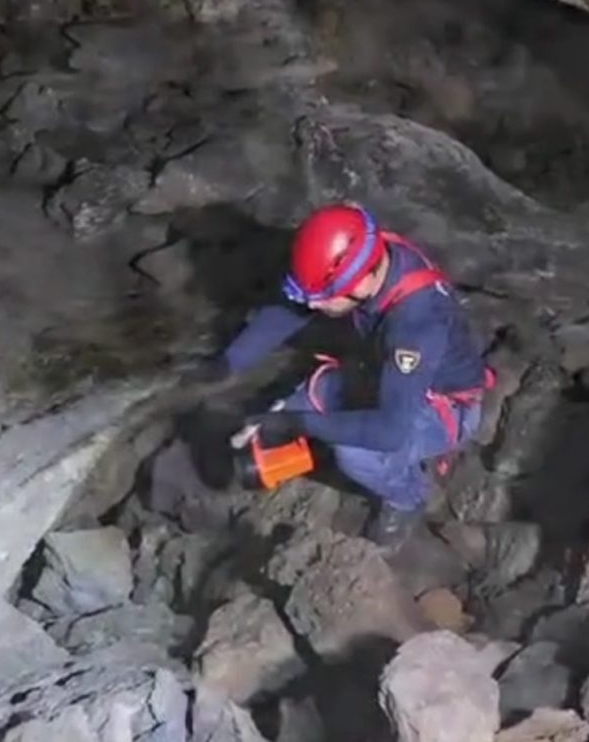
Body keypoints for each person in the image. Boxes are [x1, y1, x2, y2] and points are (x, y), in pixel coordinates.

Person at [196, 202, 495, 548]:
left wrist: (297, 424)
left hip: (443, 405)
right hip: (384, 369)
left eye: (324, 298)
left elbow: (390, 431)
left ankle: (408, 497)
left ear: (362, 283)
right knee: (295, 404)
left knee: (355, 452)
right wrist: (229, 362)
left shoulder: (417, 324)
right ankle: (322, 436)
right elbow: (293, 308)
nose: (313, 307)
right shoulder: (369, 249)